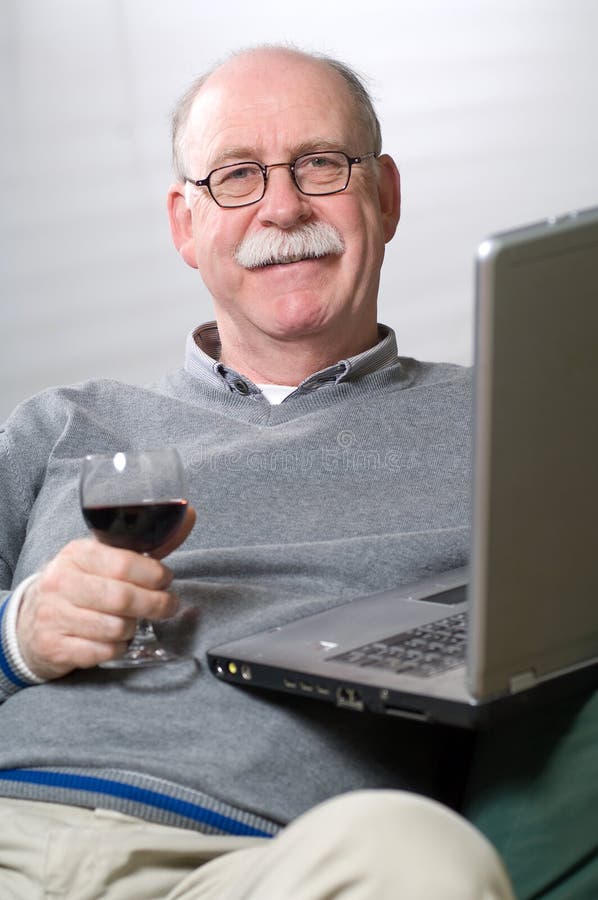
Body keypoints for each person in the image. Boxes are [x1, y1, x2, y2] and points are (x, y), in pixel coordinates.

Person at [0, 46, 515, 898]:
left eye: (321, 164)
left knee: (418, 851)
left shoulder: (507, 423)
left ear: (386, 196)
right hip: (12, 823)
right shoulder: (63, 425)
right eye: (237, 175)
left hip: (265, 865)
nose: (282, 207)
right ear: (185, 224)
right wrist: (19, 635)